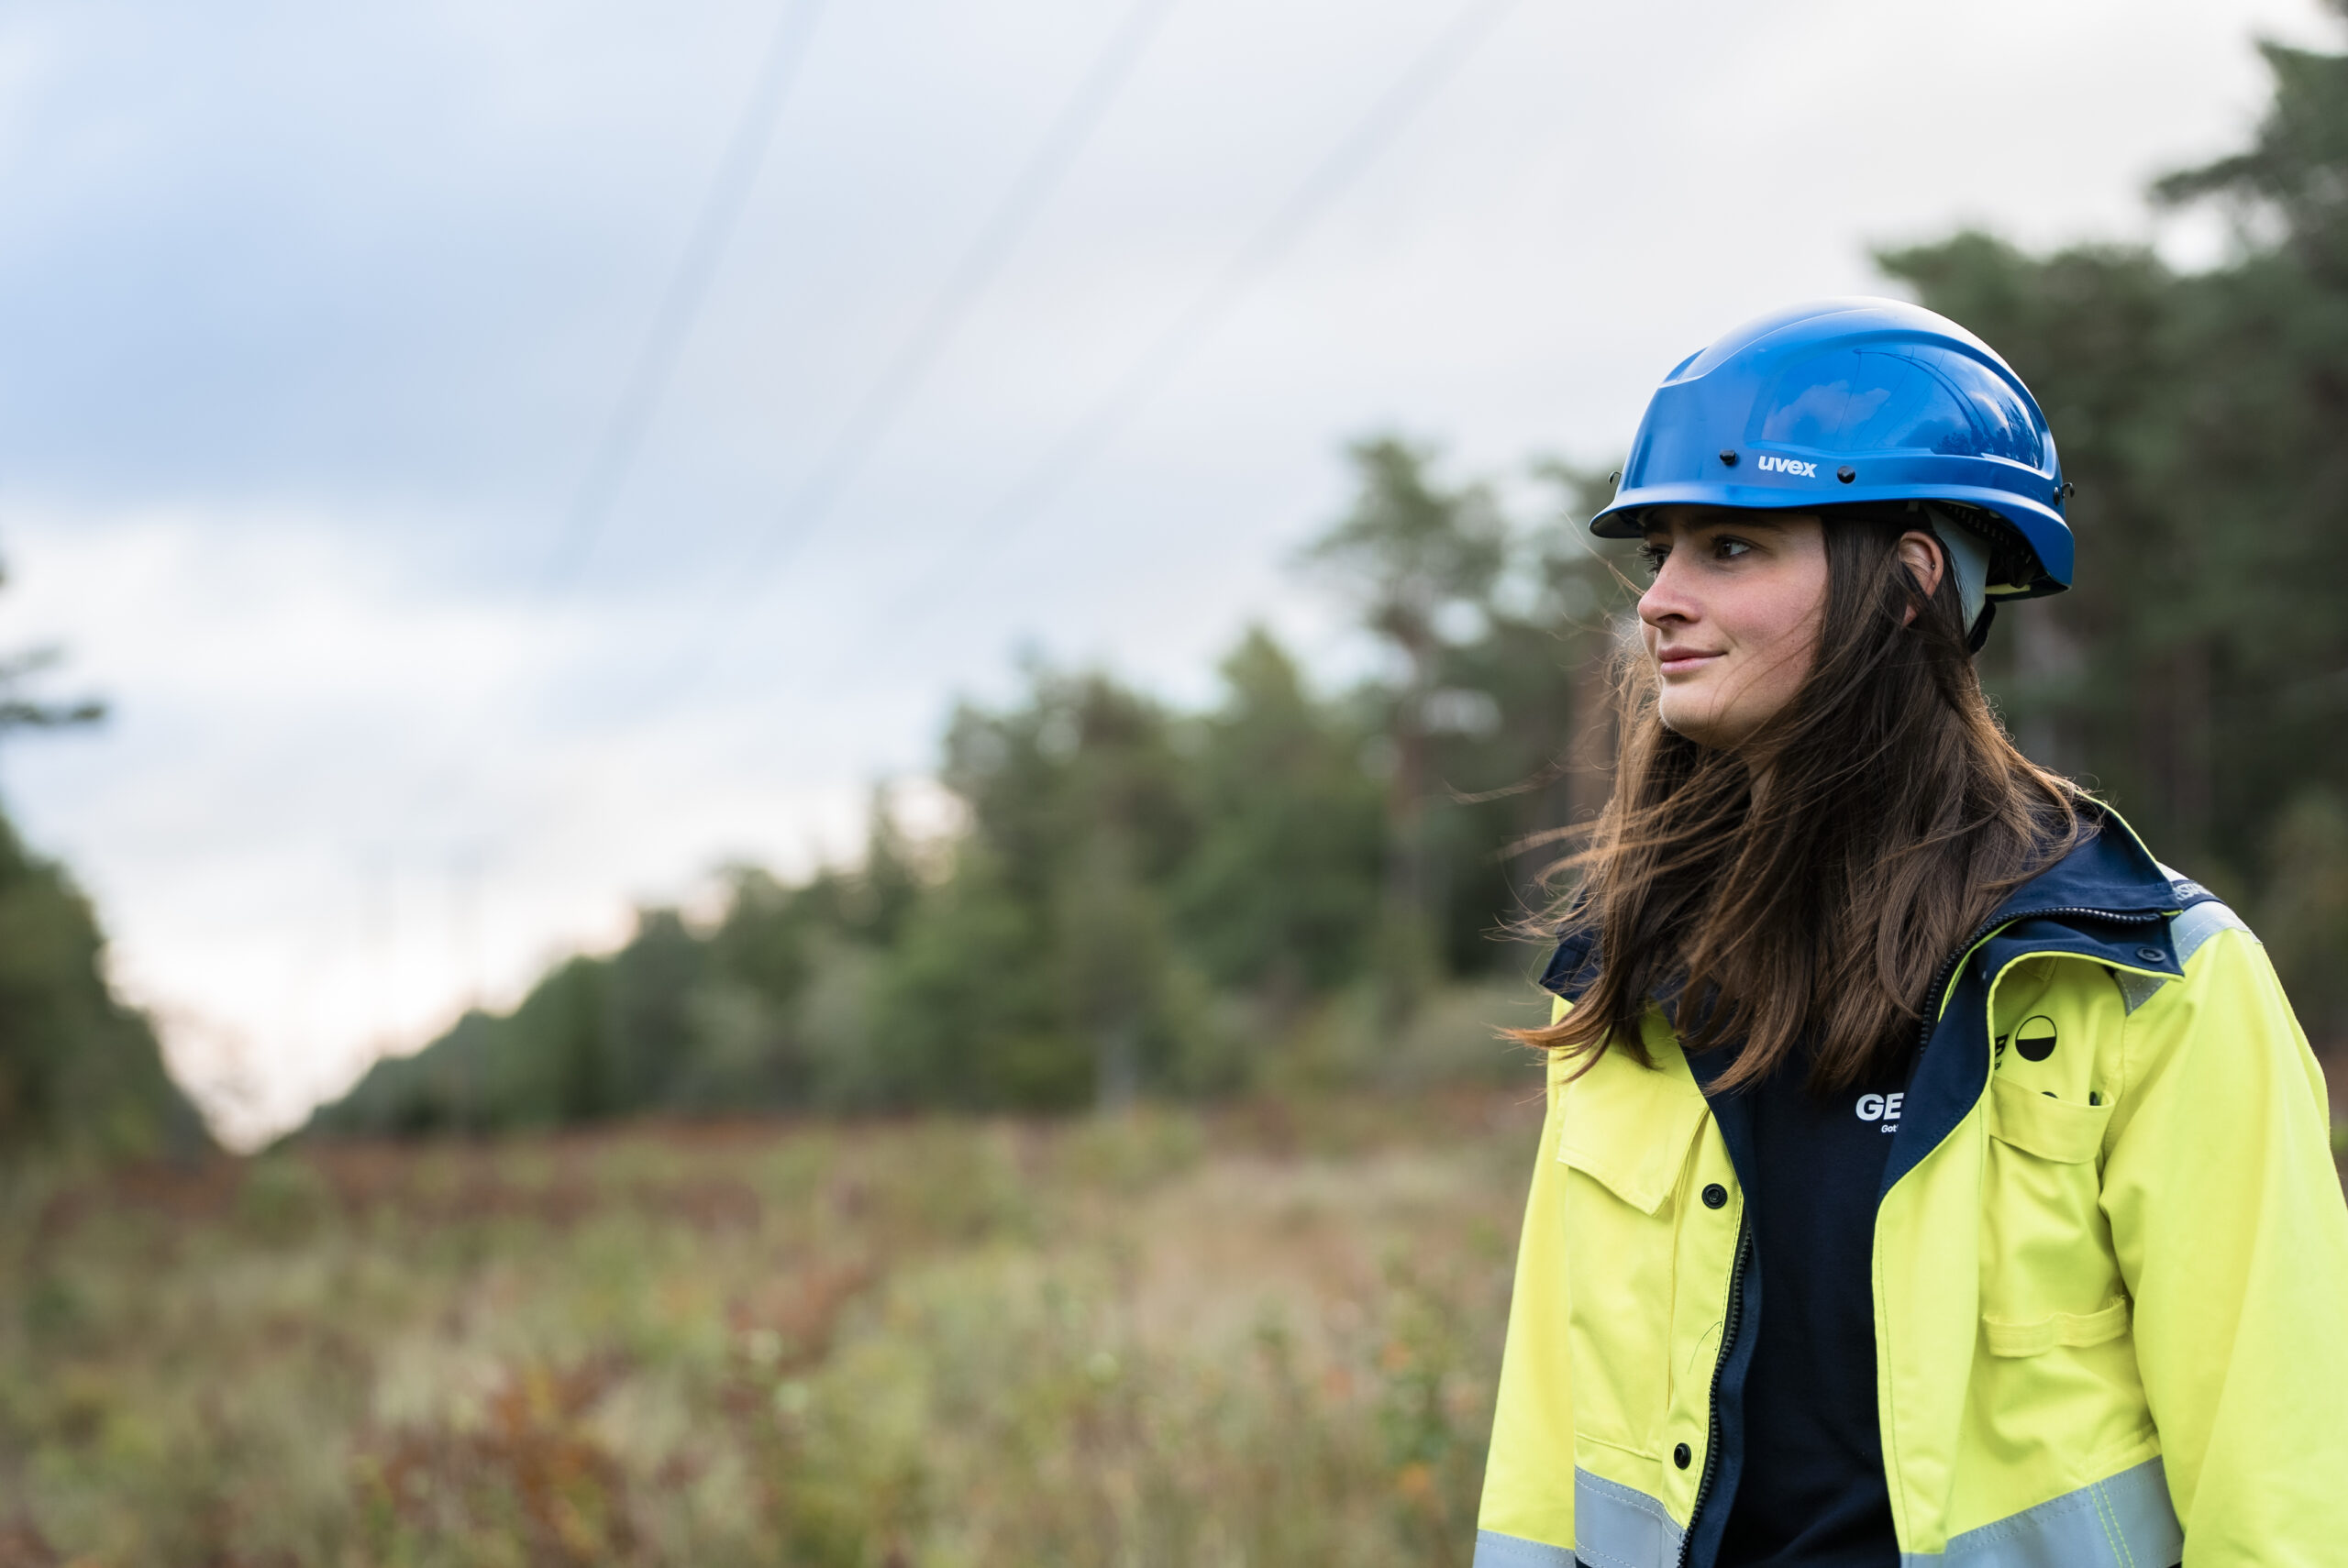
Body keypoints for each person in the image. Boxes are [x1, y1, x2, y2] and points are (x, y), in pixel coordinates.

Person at [1472, 299, 2348, 1568]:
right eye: (1659, 550)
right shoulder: (1630, 981)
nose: (1657, 598)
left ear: (1910, 581)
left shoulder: (2153, 978)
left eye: (1728, 547)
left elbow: (2285, 1472)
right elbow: (1547, 1438)